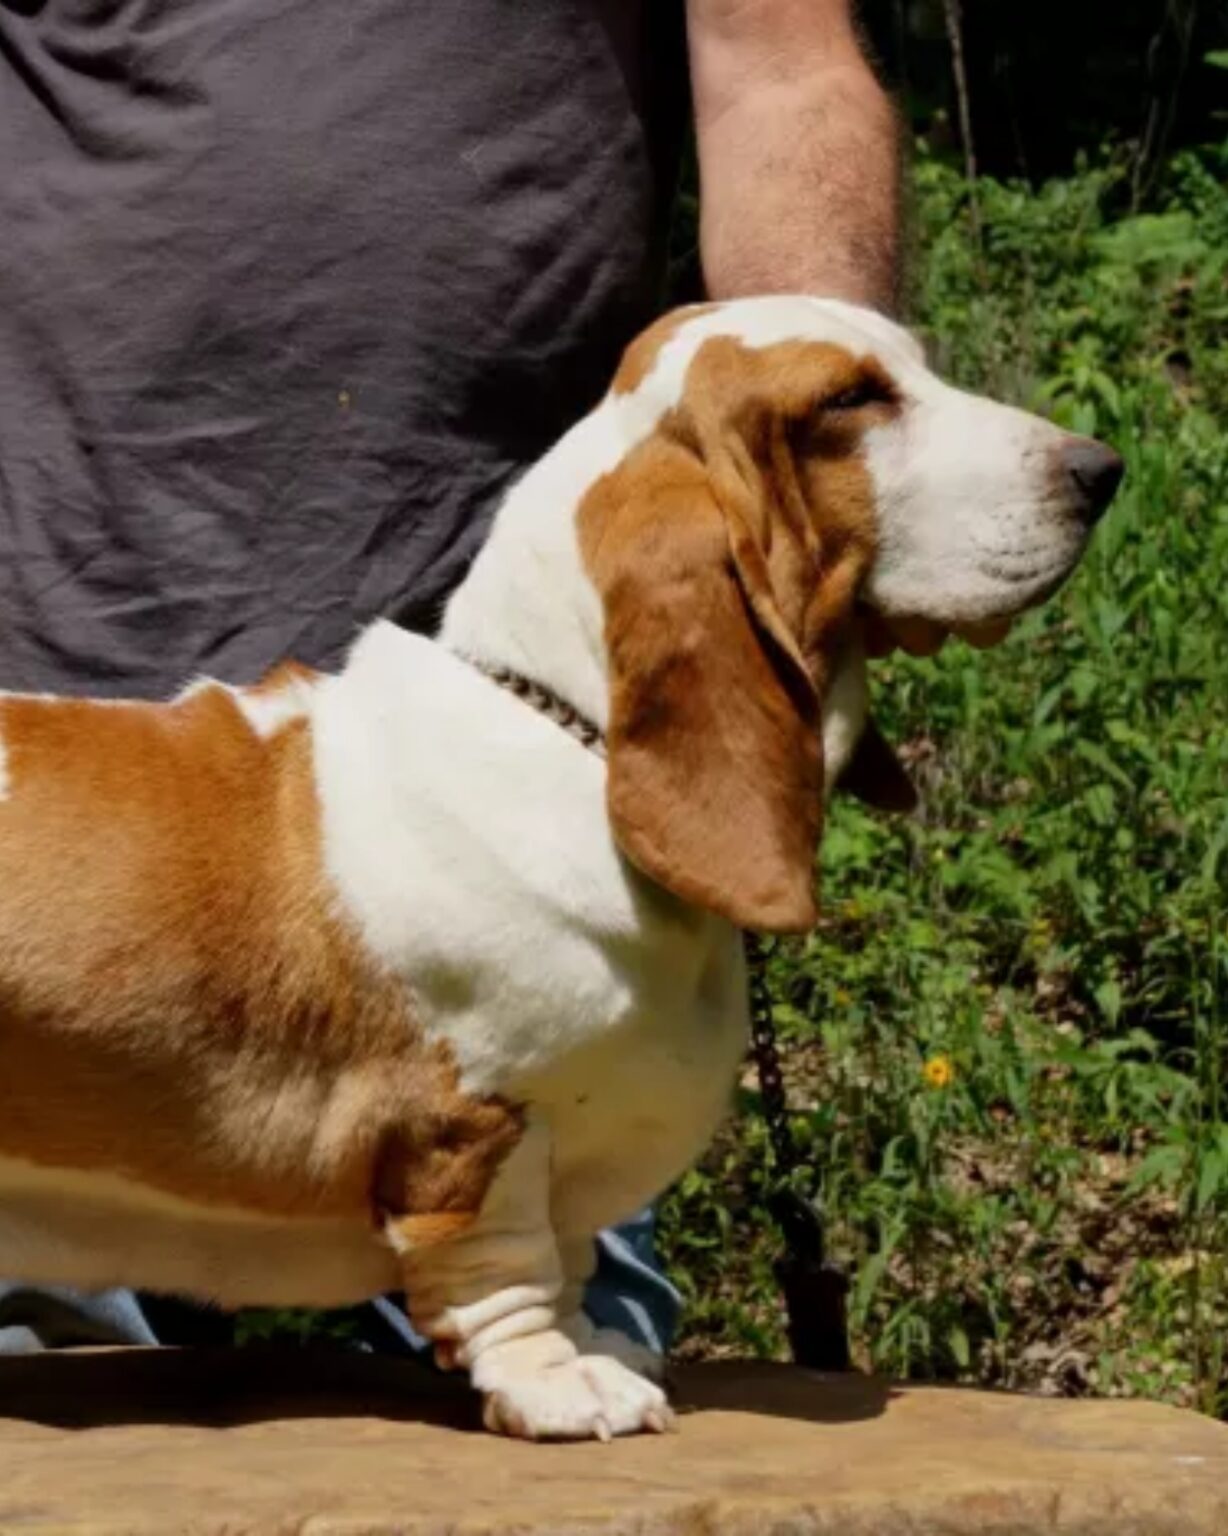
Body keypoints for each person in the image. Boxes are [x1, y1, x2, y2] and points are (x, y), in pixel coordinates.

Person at [0, 0, 899, 1357]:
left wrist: (838, 445)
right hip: (47, 850)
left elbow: (778, 70)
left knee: (546, 1400)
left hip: (532, 829)